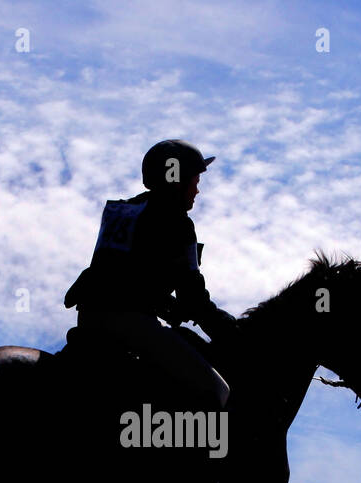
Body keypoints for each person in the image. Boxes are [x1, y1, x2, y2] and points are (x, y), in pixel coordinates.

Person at [64, 139, 236, 412]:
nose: (198, 189)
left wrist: (167, 307)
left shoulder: (122, 211)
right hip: (129, 325)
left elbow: (126, 275)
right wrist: (233, 332)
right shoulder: (178, 223)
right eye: (194, 180)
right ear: (175, 181)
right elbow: (194, 299)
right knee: (216, 389)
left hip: (89, 320)